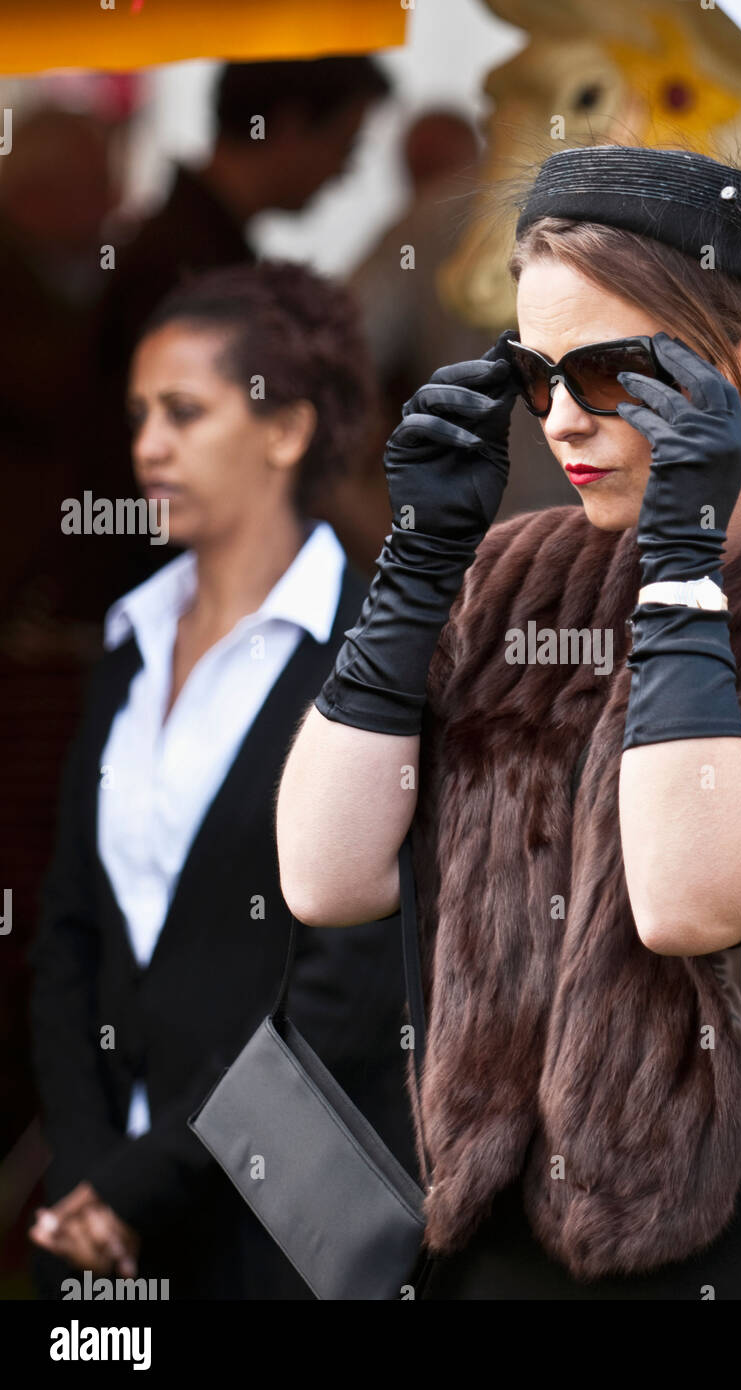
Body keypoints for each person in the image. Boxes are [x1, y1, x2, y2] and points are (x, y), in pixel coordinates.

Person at [276, 145, 741, 1299]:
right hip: (488, 1257)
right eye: (537, 378)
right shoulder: (522, 573)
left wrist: (681, 567)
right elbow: (325, 874)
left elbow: (686, 900)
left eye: (605, 376)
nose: (562, 422)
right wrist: (418, 567)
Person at [27, 260, 415, 1299]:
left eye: (183, 413)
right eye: (139, 413)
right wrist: (86, 1169)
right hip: (104, 1232)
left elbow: (346, 986)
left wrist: (143, 1184)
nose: (147, 444)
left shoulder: (370, 654)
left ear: (284, 431)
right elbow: (70, 925)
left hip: (282, 1231)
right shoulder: (130, 640)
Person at [88, 56, 393, 610]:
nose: (346, 172)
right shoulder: (190, 262)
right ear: (290, 125)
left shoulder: (193, 245)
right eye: (346, 144)